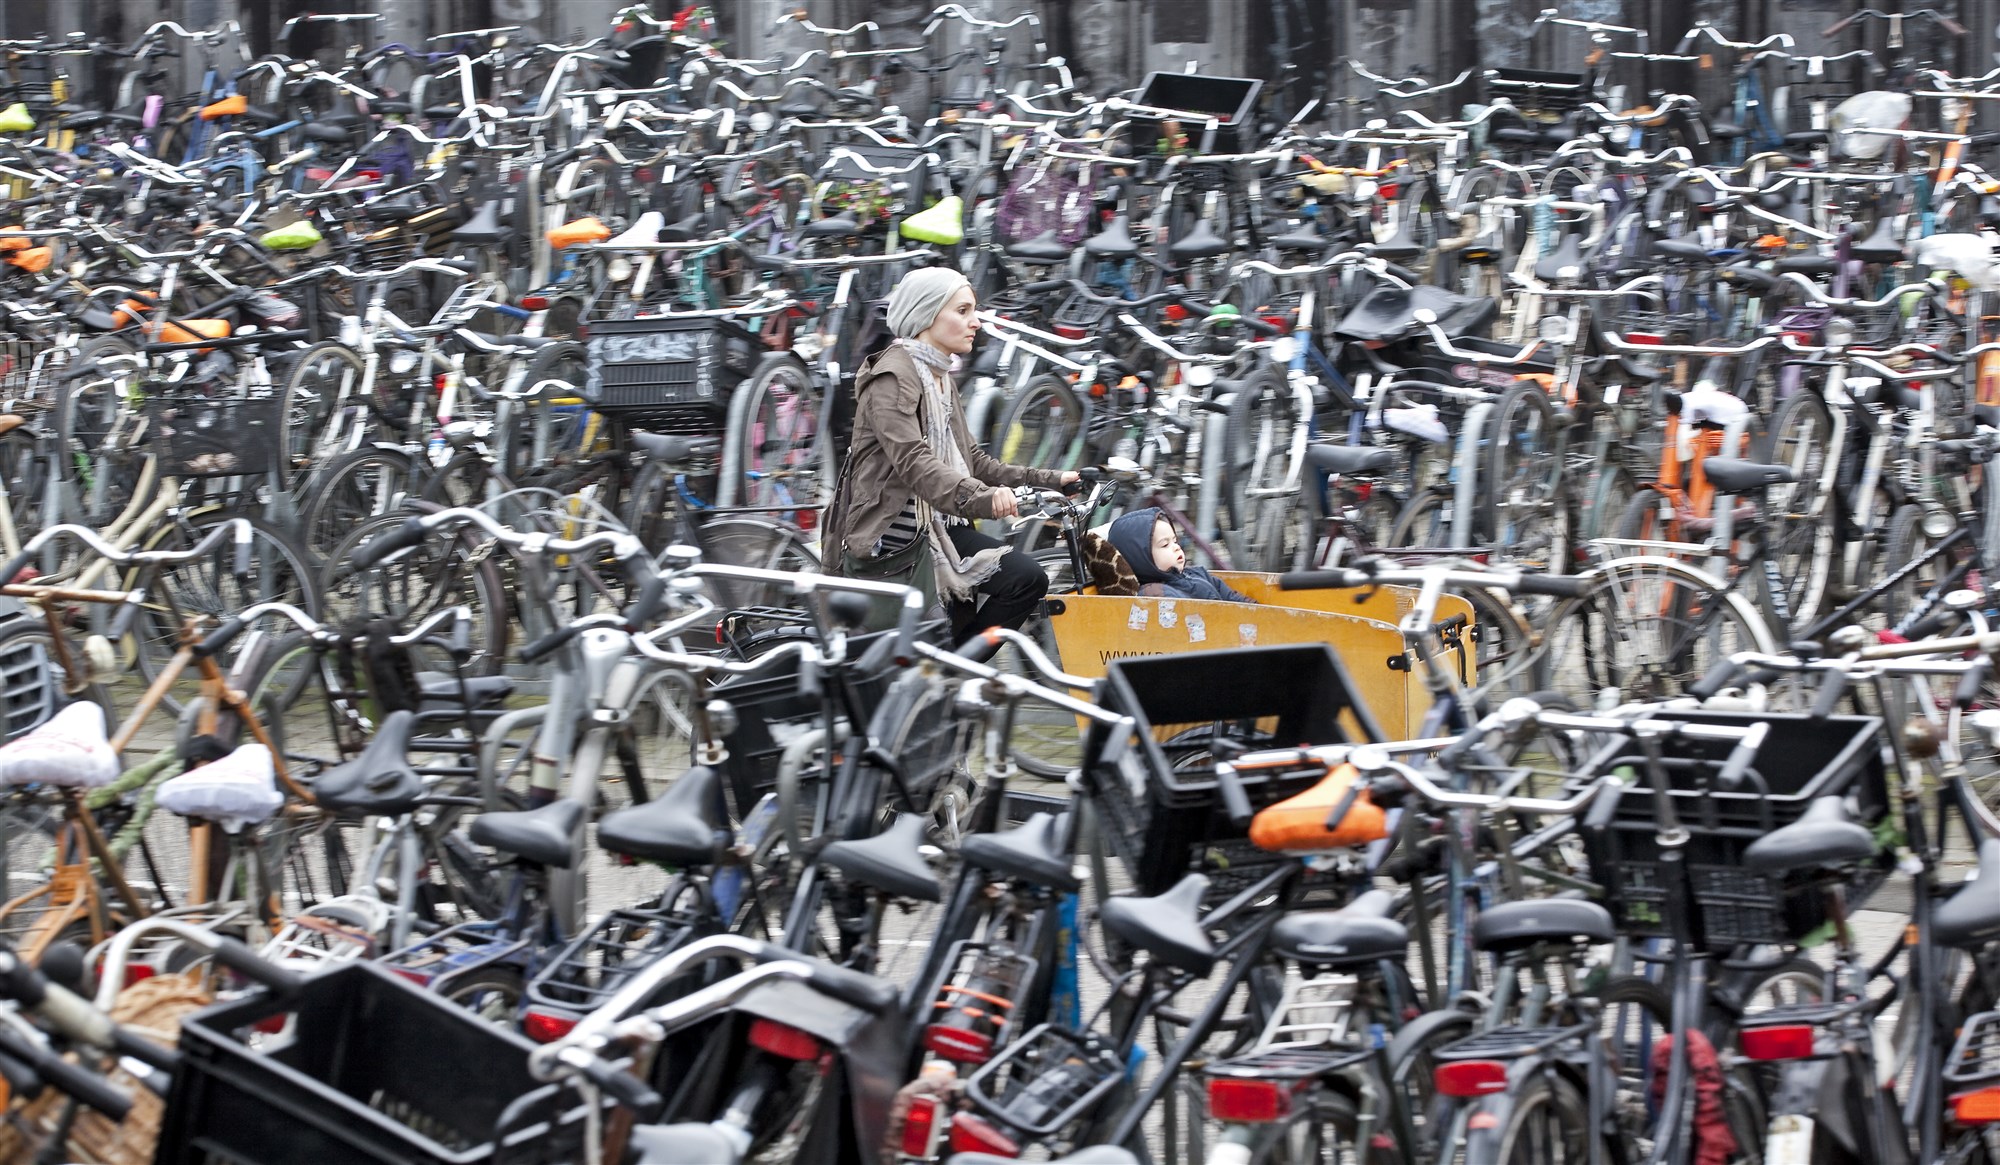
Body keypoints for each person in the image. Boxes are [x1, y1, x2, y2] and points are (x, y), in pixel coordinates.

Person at [828, 267, 1078, 636]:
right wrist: (982, 498)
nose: (975, 322)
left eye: (973, 311)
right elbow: (914, 462)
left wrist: (1051, 480)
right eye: (962, 311)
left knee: (1023, 581)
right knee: (1014, 585)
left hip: (938, 527)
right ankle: (950, 676)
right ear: (925, 313)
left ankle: (952, 677)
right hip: (895, 541)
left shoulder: (939, 375)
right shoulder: (892, 376)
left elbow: (973, 460)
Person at [1106, 507, 1256, 603]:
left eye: (1175, 541)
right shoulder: (1155, 593)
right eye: (1165, 545)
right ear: (1140, 558)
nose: (1176, 548)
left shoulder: (1198, 573)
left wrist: (1256, 611)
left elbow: (1233, 598)